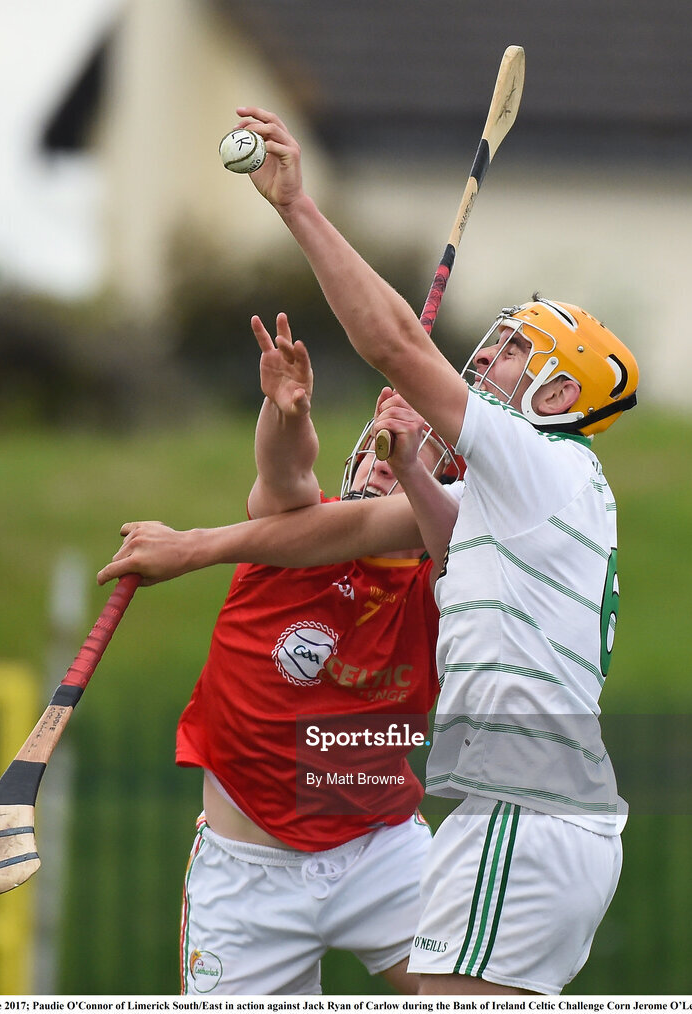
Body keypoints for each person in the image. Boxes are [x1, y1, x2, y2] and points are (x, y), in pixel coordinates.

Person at [101, 106, 639, 995]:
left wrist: (296, 207)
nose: (486, 354)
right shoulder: (491, 509)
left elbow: (390, 344)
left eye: (512, 350)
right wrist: (326, 435)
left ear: (553, 396)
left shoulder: (536, 466)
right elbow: (323, 515)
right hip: (327, 854)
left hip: (485, 823)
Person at [110, 310, 459, 996]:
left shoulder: (449, 584)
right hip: (247, 875)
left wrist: (412, 460)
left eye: (415, 466)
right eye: (375, 455)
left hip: (380, 853)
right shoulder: (290, 538)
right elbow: (283, 475)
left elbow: (451, 532)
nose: (385, 467)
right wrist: (286, 412)